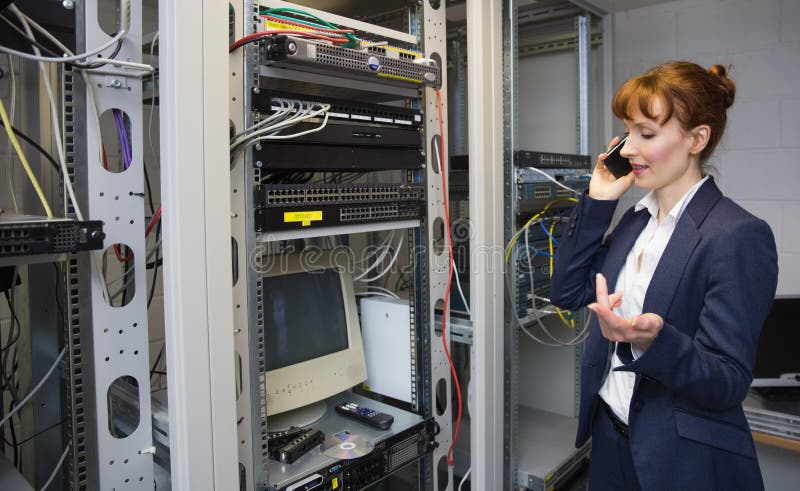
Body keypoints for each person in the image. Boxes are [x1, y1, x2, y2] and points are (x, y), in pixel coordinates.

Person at [550, 61, 778, 490]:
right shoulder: (636, 221)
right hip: (609, 439)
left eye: (646, 134)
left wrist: (654, 343)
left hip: (679, 461)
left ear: (697, 138)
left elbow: (727, 381)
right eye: (627, 132)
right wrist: (599, 199)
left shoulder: (737, 235)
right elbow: (565, 292)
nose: (628, 149)